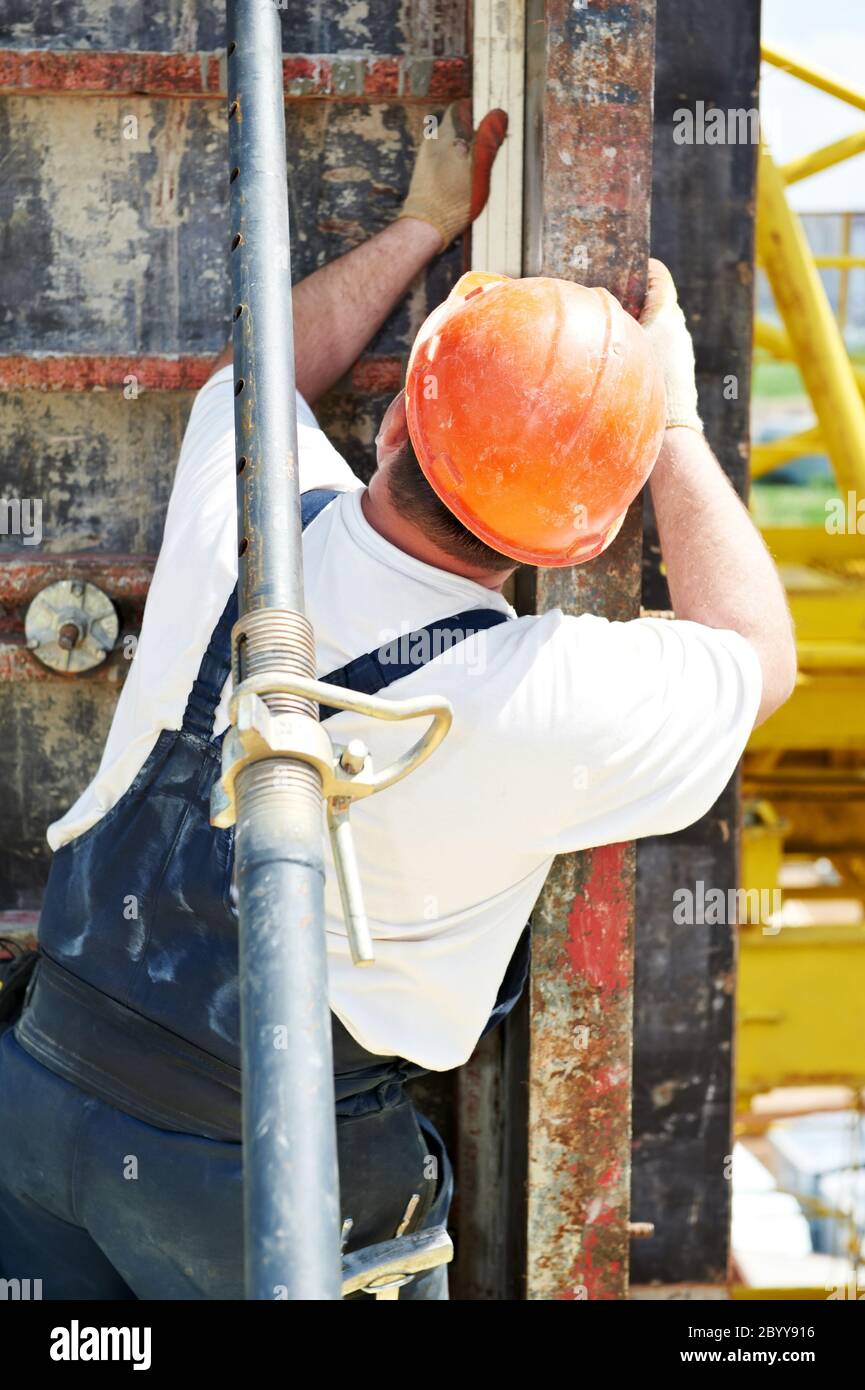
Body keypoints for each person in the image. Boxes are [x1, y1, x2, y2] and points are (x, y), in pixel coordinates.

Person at [0, 101, 795, 1301]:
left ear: (388, 426)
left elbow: (259, 375)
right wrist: (670, 423)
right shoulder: (548, 695)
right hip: (263, 1187)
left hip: (40, 1103)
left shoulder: (248, 515)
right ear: (582, 537)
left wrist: (425, 223)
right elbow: (756, 654)